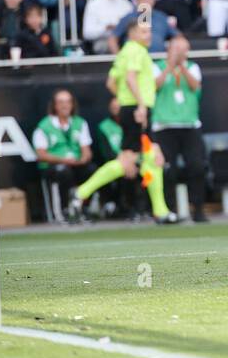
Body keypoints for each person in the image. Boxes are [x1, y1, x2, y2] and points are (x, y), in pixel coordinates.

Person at [68, 18, 177, 224]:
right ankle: (81, 193)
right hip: (138, 109)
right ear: (133, 34)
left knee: (152, 158)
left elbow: (111, 82)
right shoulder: (137, 51)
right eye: (144, 33)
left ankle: (161, 211)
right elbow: (130, 78)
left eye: (149, 32)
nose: (149, 36)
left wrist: (124, 99)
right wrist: (140, 105)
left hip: (131, 108)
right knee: (128, 159)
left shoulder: (123, 53)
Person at [151, 34, 208, 223]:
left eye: (185, 49)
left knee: (197, 166)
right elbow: (153, 87)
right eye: (178, 49)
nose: (182, 53)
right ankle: (169, 211)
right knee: (167, 169)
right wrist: (170, 66)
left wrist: (181, 66)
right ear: (169, 49)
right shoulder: (156, 66)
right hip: (164, 126)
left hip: (189, 125)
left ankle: (198, 209)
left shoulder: (192, 67)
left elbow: (195, 87)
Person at [32, 90, 94, 220]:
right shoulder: (44, 125)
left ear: (72, 105)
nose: (64, 106)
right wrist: (64, 160)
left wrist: (83, 159)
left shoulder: (80, 123)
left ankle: (83, 207)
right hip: (54, 166)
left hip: (76, 164)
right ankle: (64, 210)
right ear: (54, 106)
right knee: (63, 171)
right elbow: (41, 154)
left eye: (68, 102)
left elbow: (86, 150)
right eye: (61, 102)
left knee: (91, 170)